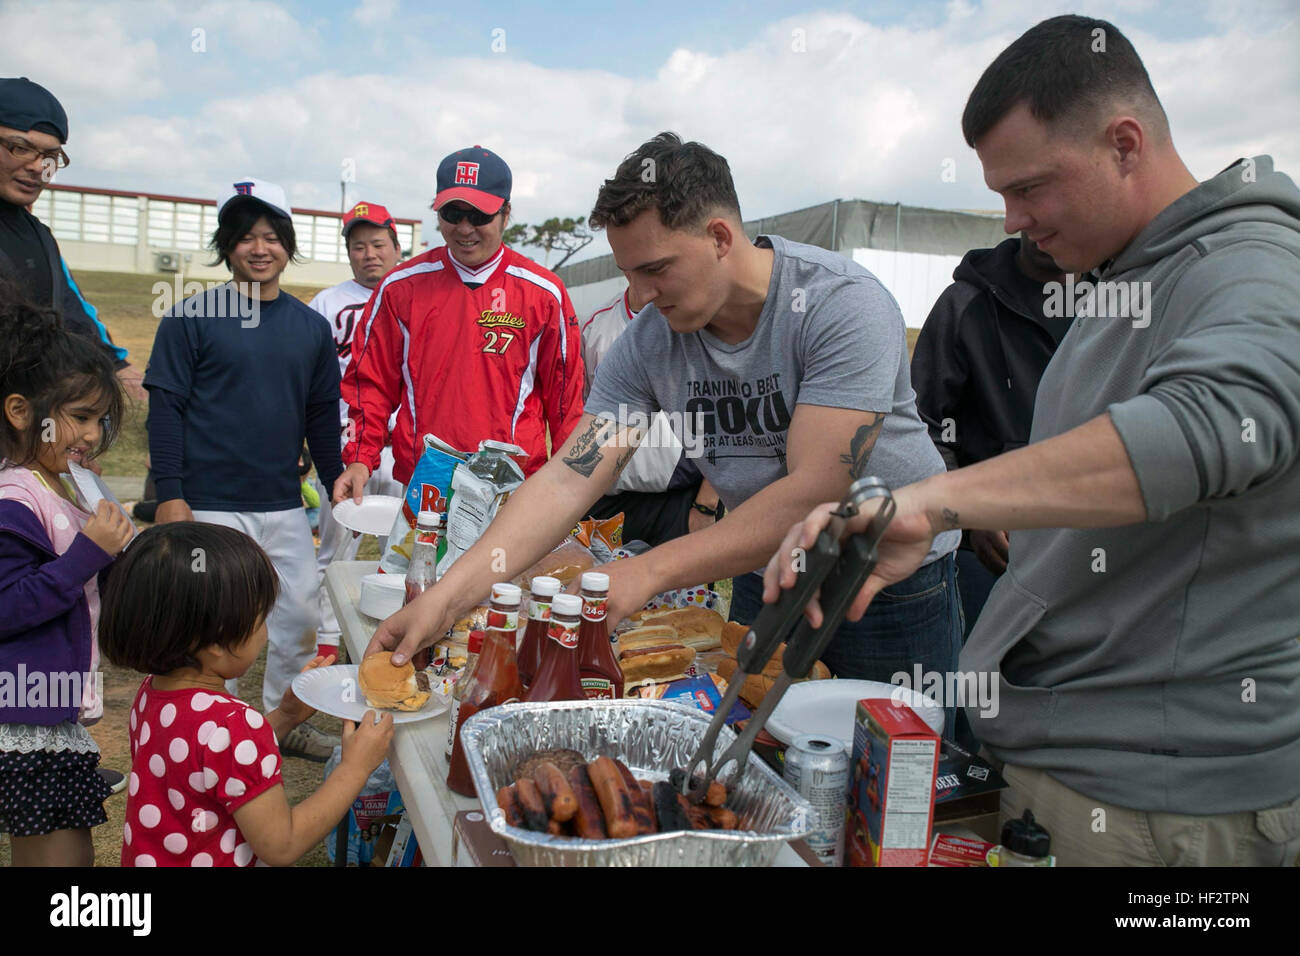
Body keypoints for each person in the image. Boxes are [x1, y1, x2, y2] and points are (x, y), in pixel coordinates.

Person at [764, 15, 1300, 866]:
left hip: (1161, 809)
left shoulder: (1251, 265)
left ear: (1125, 144)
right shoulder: (1123, 273)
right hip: (1063, 766)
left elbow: (1211, 426)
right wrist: (936, 525)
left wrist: (931, 499)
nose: (1012, 221)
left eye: (1030, 188)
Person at [367, 134, 962, 719]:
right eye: (629, 273)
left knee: (894, 780)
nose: (640, 295)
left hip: (887, 584)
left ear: (720, 237)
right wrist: (443, 602)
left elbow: (816, 491)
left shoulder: (838, 303)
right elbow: (568, 480)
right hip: (764, 569)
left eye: (655, 270)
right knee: (761, 752)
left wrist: (646, 571)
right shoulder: (652, 341)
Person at [144, 177, 344, 761]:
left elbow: (319, 416)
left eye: (272, 237)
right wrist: (170, 494)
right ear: (228, 247)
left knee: (301, 610)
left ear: (288, 245)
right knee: (215, 621)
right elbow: (166, 408)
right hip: (208, 501)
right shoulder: (191, 317)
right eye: (246, 238)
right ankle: (217, 729)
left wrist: (335, 481)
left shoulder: (310, 327)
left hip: (282, 501)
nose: (260, 249)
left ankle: (284, 721)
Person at [98, 522, 394, 867]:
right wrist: (354, 769)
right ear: (216, 643)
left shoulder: (153, 692)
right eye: (260, 619)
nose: (266, 632)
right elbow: (282, 844)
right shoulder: (234, 725)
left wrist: (284, 717)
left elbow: (209, 763)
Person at [334, 145, 584, 503]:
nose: (465, 229)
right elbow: (368, 385)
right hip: (425, 487)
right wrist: (359, 458)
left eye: (479, 215)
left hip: (513, 491)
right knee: (423, 562)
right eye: (453, 213)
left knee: (506, 562)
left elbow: (565, 400)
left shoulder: (543, 292)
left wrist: (571, 481)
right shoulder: (400, 288)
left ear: (506, 212)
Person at [0, 283, 133, 866]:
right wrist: (87, 552)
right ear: (21, 410)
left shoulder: (64, 486)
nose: (89, 435)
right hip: (23, 719)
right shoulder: (14, 497)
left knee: (70, 859)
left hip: (55, 713)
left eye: (99, 421)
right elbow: (8, 605)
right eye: (79, 418)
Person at [910, 233, 1067, 636]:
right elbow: (921, 425)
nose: (1036, 220)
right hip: (981, 556)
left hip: (1085, 549)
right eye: (1026, 197)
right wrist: (969, 510)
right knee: (977, 688)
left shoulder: (1118, 303)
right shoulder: (963, 305)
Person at [0, 77, 141, 394]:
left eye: (51, 157)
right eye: (20, 148)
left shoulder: (40, 236)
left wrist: (114, 365)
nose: (38, 167)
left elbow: (69, 309)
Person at [307, 201, 404, 655]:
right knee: (337, 542)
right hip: (349, 441)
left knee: (404, 547)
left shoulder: (414, 291)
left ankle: (395, 633)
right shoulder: (327, 302)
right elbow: (309, 377)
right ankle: (328, 639)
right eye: (358, 246)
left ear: (397, 246)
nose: (369, 254)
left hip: (406, 443)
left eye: (378, 244)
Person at [580, 284, 723, 546]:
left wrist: (706, 505)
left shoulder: (698, 320)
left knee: (683, 587)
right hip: (609, 499)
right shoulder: (595, 324)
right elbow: (581, 418)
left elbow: (725, 420)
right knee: (601, 584)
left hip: (681, 498)